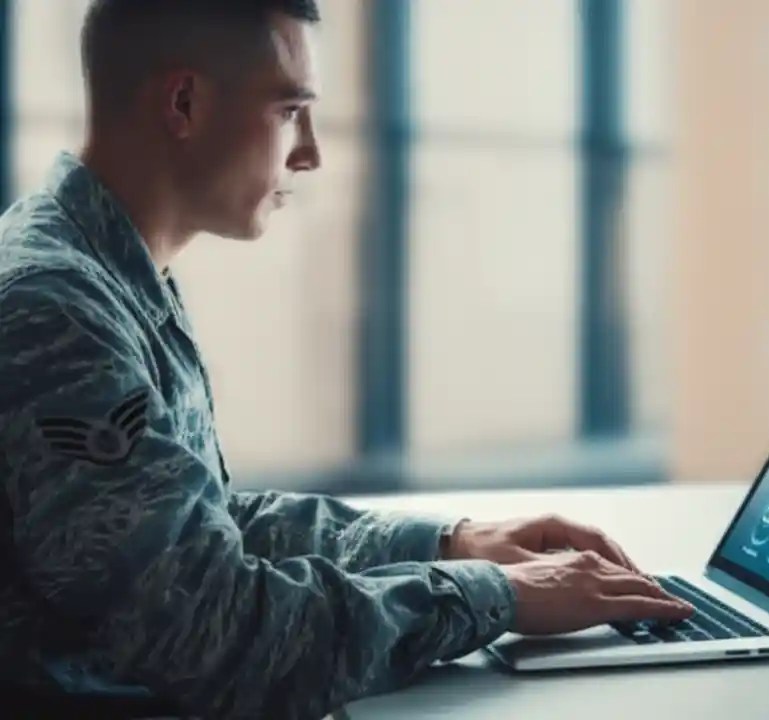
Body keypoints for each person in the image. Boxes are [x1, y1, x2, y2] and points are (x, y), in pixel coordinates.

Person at [0, 1, 693, 717]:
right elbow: (216, 636)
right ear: (184, 102)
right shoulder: (54, 310)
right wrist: (498, 595)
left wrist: (453, 544)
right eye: (290, 110)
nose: (310, 153)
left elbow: (190, 535)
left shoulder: (96, 270)